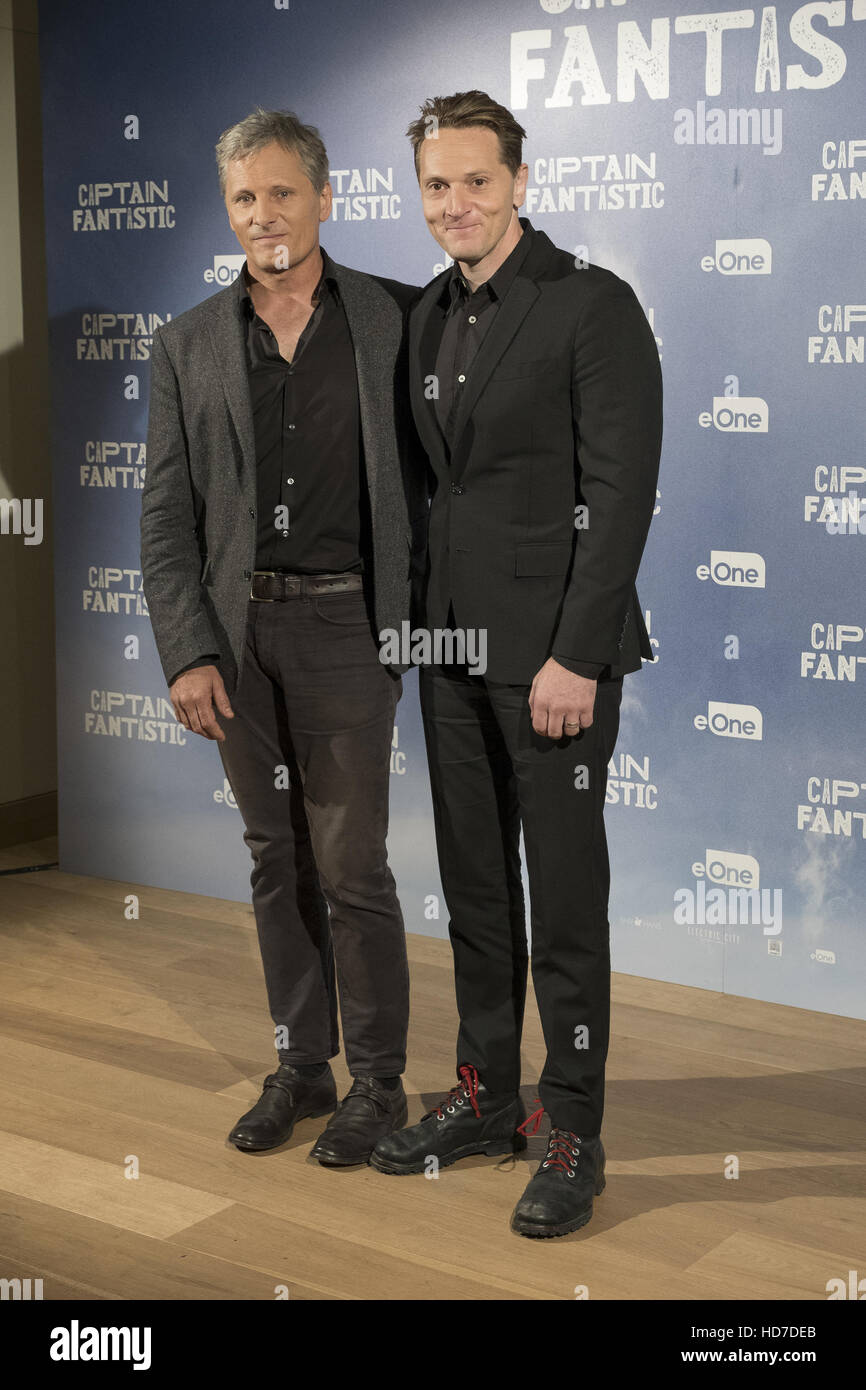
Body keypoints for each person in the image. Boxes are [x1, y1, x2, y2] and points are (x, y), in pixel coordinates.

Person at [370, 91, 663, 1239]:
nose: (454, 203)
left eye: (475, 181)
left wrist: (575, 656)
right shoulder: (428, 312)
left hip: (552, 664)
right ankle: (488, 1094)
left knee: (564, 903)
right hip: (448, 654)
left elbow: (618, 495)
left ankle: (573, 1123)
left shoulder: (590, 304)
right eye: (436, 184)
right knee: (476, 892)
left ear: (518, 182)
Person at [141, 107, 425, 1167]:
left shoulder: (396, 320)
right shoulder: (186, 345)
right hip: (236, 634)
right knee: (275, 859)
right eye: (243, 199)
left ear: (324, 196)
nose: (262, 216)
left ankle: (381, 1084)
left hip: (351, 623)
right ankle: (302, 1066)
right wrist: (187, 649)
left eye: (280, 193)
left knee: (353, 866)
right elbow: (165, 518)